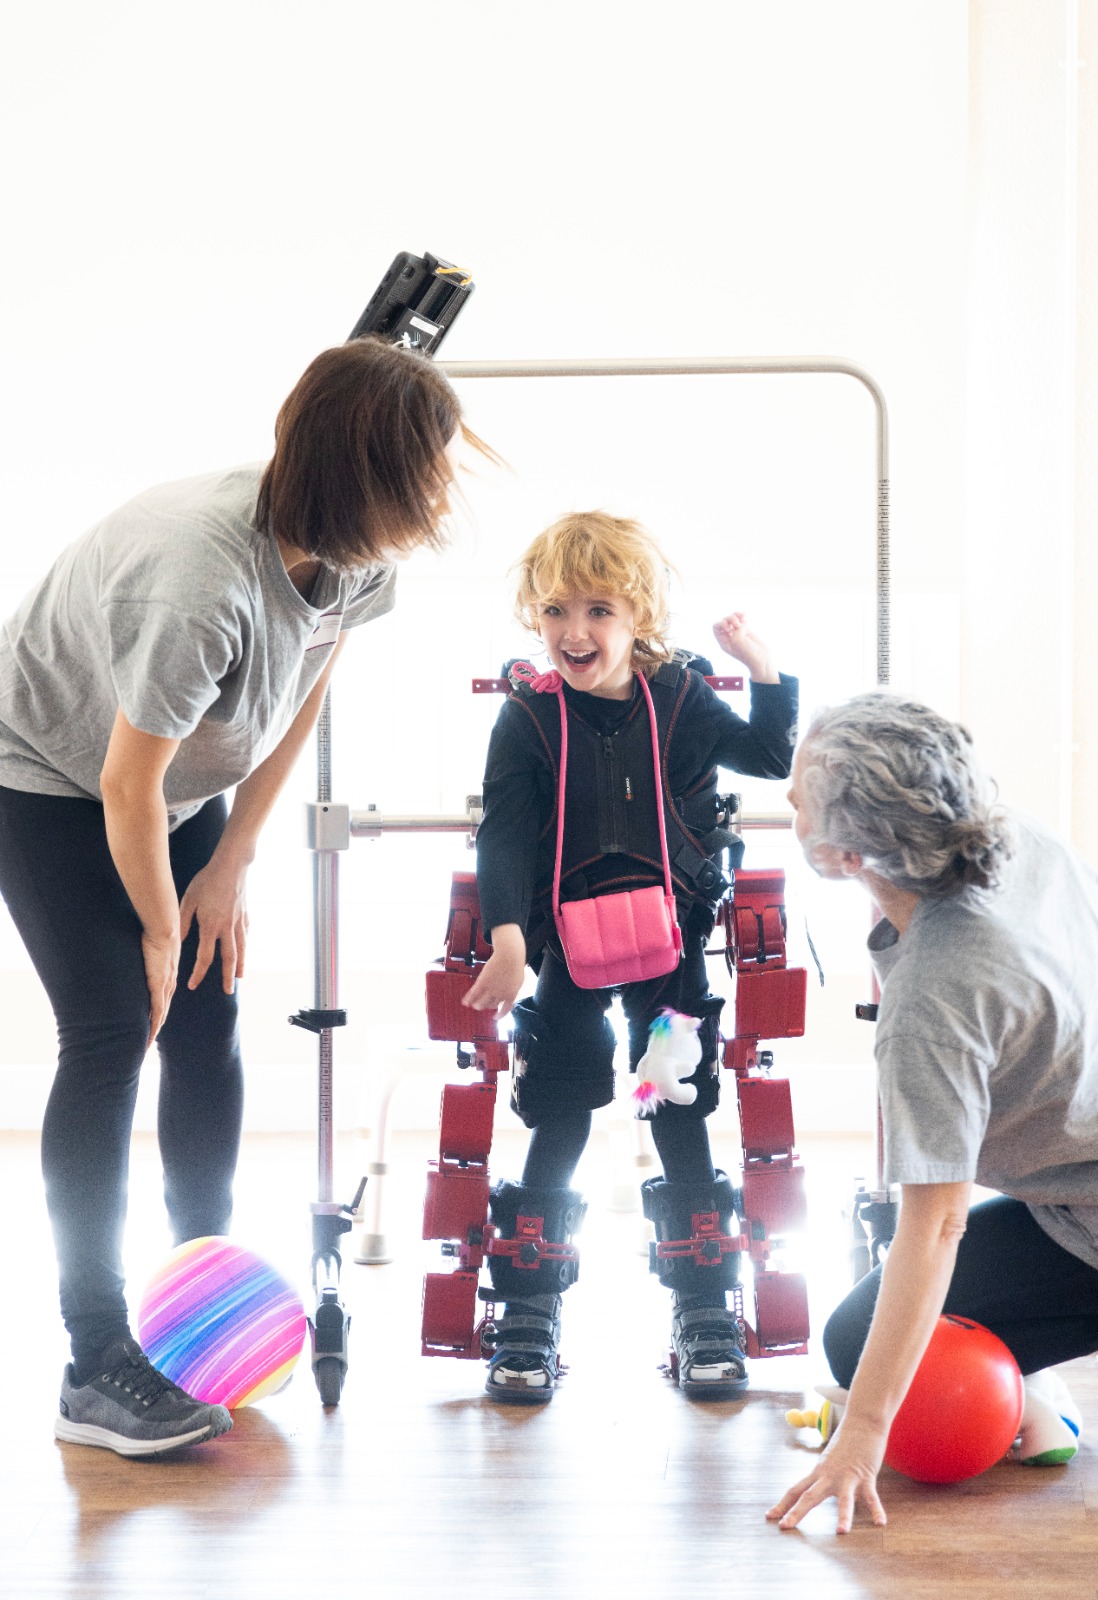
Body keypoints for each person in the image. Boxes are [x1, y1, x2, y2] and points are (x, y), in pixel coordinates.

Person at [0, 335, 483, 1458]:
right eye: (430, 468)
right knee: (118, 1023)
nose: (441, 492)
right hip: (46, 771)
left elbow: (307, 687)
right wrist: (161, 926)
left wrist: (232, 863)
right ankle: (93, 1359)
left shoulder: (360, 551)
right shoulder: (201, 581)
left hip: (174, 784)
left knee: (210, 1014)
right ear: (367, 474)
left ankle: (195, 1287)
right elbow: (124, 785)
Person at [464, 510, 798, 1403]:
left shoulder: (681, 700)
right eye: (556, 612)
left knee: (675, 1100)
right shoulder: (529, 720)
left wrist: (764, 669)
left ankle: (703, 1307)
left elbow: (770, 754)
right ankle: (529, 1310)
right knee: (561, 1105)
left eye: (599, 610)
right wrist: (505, 936)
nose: (576, 632)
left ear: (638, 614)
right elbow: (502, 834)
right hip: (567, 949)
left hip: (668, 942)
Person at [769, 693, 1098, 1533]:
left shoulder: (937, 995)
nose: (787, 796)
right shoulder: (1010, 832)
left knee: (853, 1346)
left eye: (802, 787)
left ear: (844, 854)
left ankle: (1038, 1399)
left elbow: (936, 1225)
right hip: (1075, 1163)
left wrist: (862, 1435)